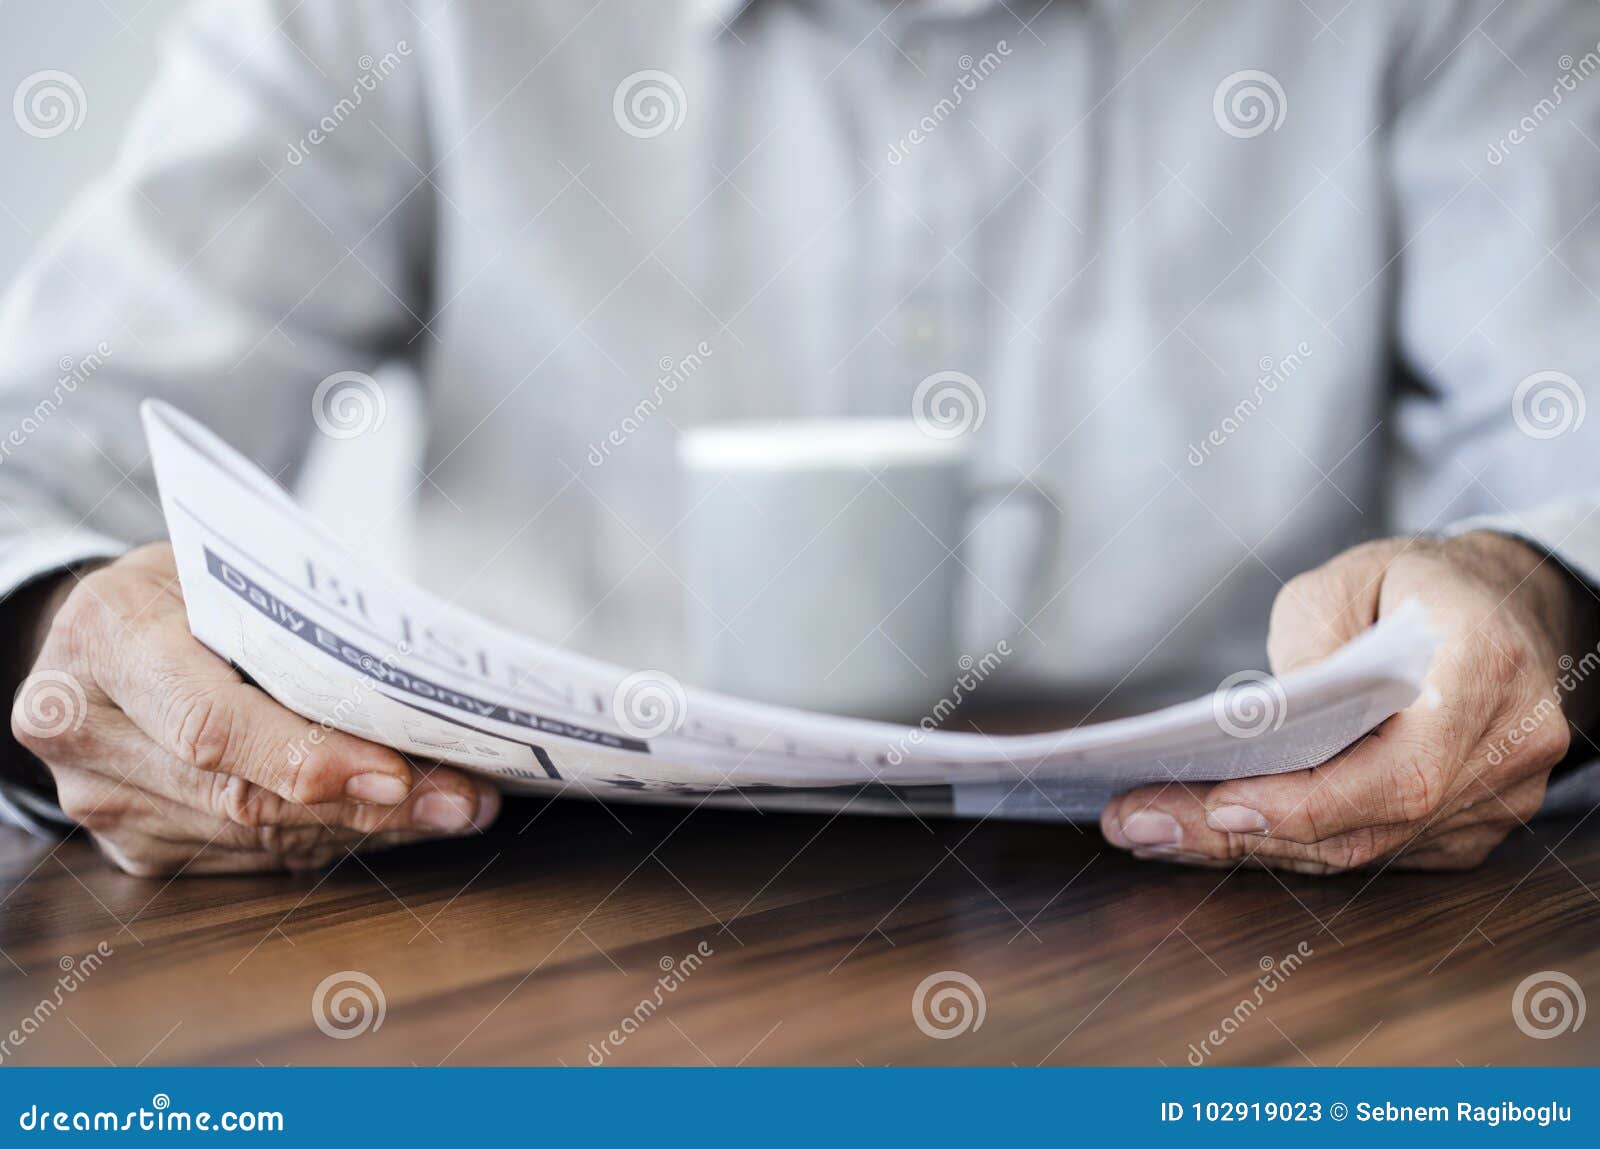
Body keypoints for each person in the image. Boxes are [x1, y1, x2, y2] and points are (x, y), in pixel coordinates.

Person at [2, 0, 1597, 877]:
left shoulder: (1439, 17)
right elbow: (39, 448)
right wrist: (63, 640)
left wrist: (1535, 598)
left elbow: (1574, 469)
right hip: (519, 920)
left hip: (1236, 914)